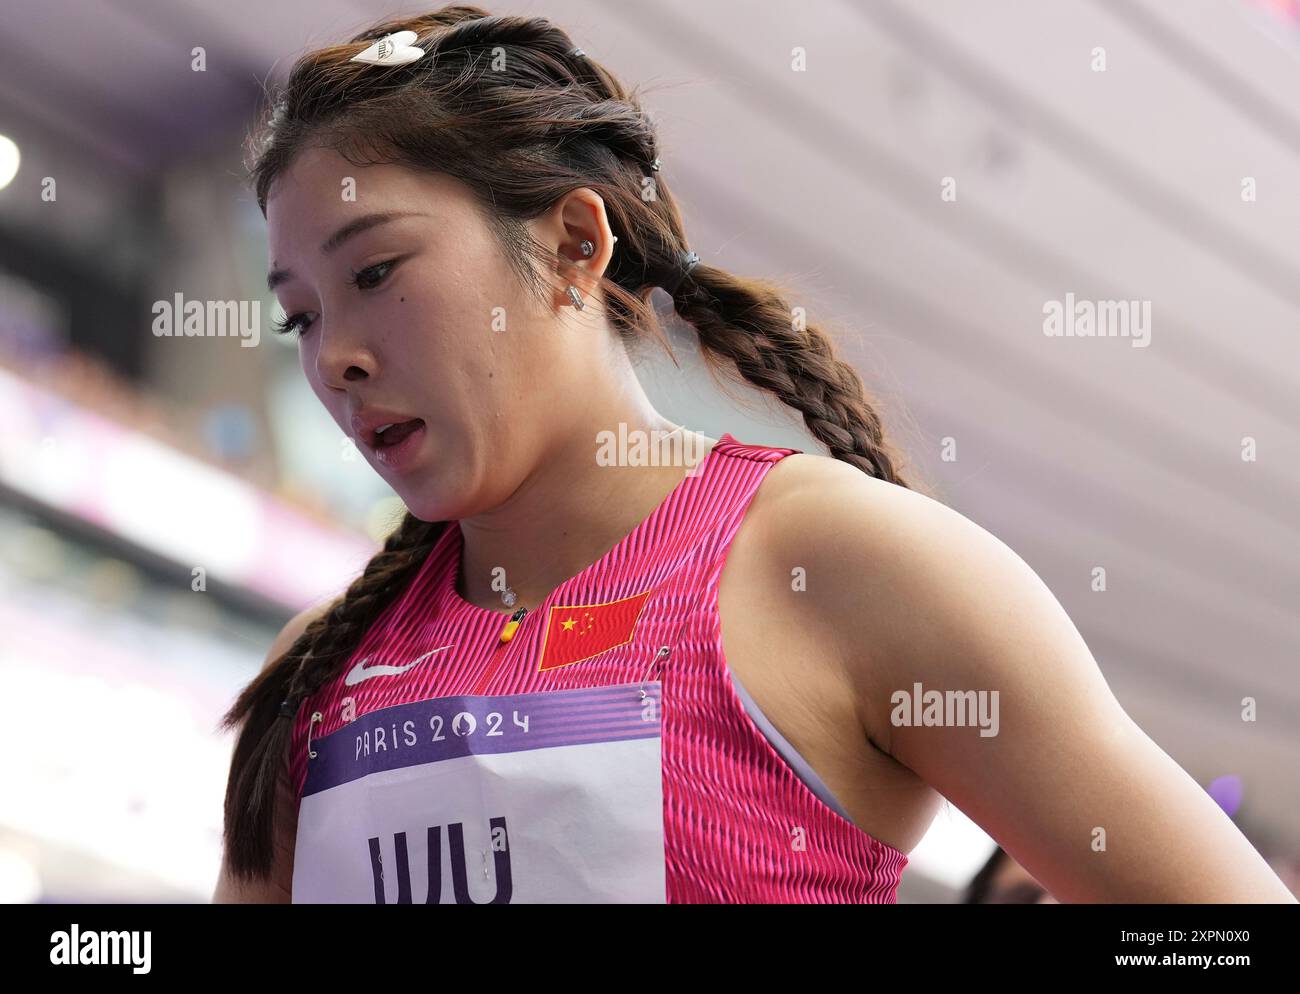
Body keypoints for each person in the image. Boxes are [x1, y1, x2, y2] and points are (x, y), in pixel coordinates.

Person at [212, 6, 1297, 904]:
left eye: (373, 272)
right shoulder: (320, 670)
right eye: (298, 317)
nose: (337, 358)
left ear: (574, 246)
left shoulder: (834, 566)